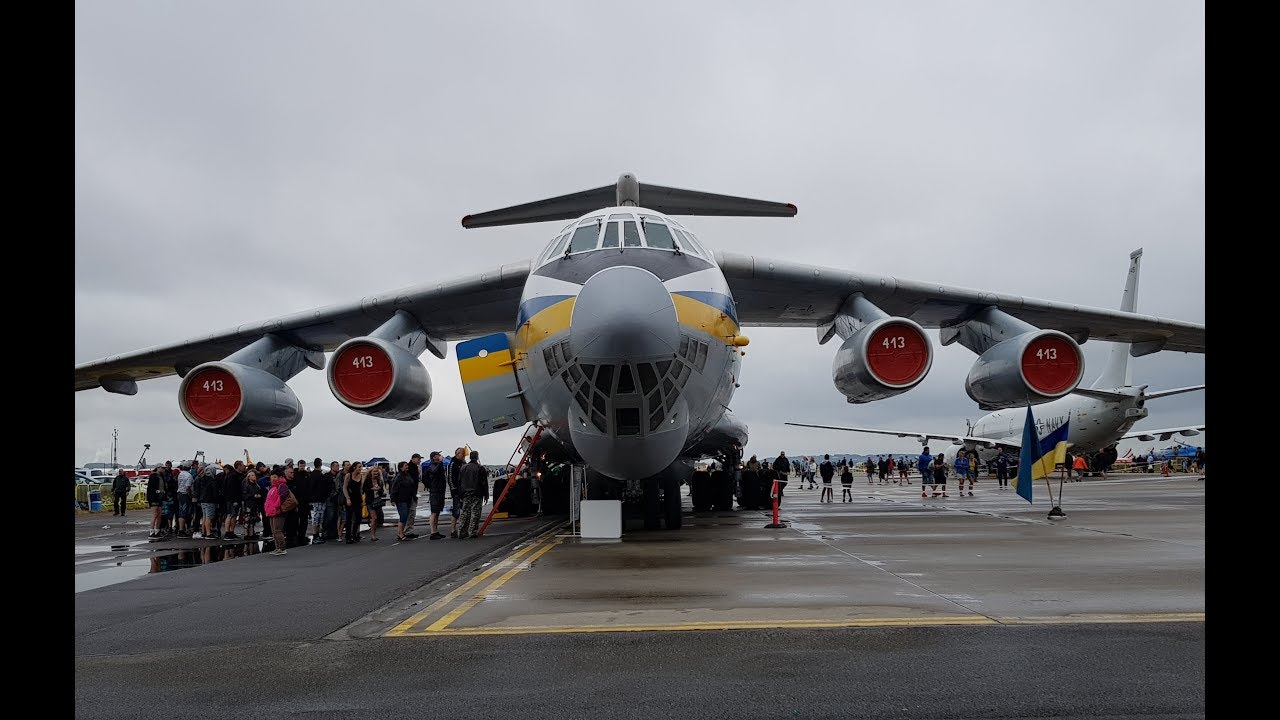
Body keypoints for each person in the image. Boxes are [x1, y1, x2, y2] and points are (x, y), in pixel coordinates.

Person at [456, 451, 489, 539]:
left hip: (465, 493)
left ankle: (461, 531)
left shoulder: (463, 468)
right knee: (475, 512)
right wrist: (486, 494)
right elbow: (484, 483)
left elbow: (459, 482)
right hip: (477, 493)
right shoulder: (480, 468)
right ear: (477, 457)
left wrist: (460, 494)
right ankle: (472, 531)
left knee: (465, 512)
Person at [263, 470, 291, 556]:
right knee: (274, 531)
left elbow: (282, 497)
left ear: (279, 477)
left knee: (278, 530)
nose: (272, 479)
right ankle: (277, 547)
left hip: (278, 511)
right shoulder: (272, 487)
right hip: (272, 511)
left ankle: (282, 548)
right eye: (272, 477)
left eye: (275, 477)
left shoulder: (282, 486)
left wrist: (276, 506)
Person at [423, 451, 448, 540]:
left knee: (437, 512)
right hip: (435, 491)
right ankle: (432, 532)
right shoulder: (432, 465)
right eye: (438, 455)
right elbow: (434, 471)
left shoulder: (438, 465)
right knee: (434, 512)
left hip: (440, 491)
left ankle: (436, 531)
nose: (440, 456)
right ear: (434, 457)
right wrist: (440, 462)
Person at [342, 462, 365, 544]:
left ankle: (354, 534)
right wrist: (347, 498)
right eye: (359, 467)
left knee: (358, 517)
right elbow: (344, 488)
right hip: (350, 499)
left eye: (361, 467)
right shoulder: (349, 475)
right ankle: (348, 536)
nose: (360, 469)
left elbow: (361, 490)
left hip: (358, 499)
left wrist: (362, 501)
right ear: (354, 467)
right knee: (349, 518)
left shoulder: (361, 476)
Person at [447, 448, 466, 538]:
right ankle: (453, 530)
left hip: (463, 490)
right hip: (456, 491)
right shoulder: (453, 464)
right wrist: (454, 490)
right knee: (456, 511)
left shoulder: (463, 463)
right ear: (458, 454)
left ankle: (462, 528)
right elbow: (450, 478)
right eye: (463, 454)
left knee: (464, 510)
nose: (464, 455)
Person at [404, 453, 423, 539]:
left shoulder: (415, 468)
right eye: (419, 459)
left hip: (412, 493)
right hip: (410, 494)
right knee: (410, 512)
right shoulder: (410, 468)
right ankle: (407, 531)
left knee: (411, 513)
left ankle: (408, 530)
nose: (420, 461)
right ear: (414, 459)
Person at [365, 466, 386, 541]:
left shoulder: (379, 480)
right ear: (371, 472)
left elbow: (382, 491)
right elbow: (364, 490)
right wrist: (372, 489)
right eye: (374, 471)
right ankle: (373, 535)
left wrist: (379, 489)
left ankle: (374, 533)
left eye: (377, 472)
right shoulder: (367, 480)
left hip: (377, 501)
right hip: (370, 501)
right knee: (374, 517)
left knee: (376, 519)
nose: (376, 473)